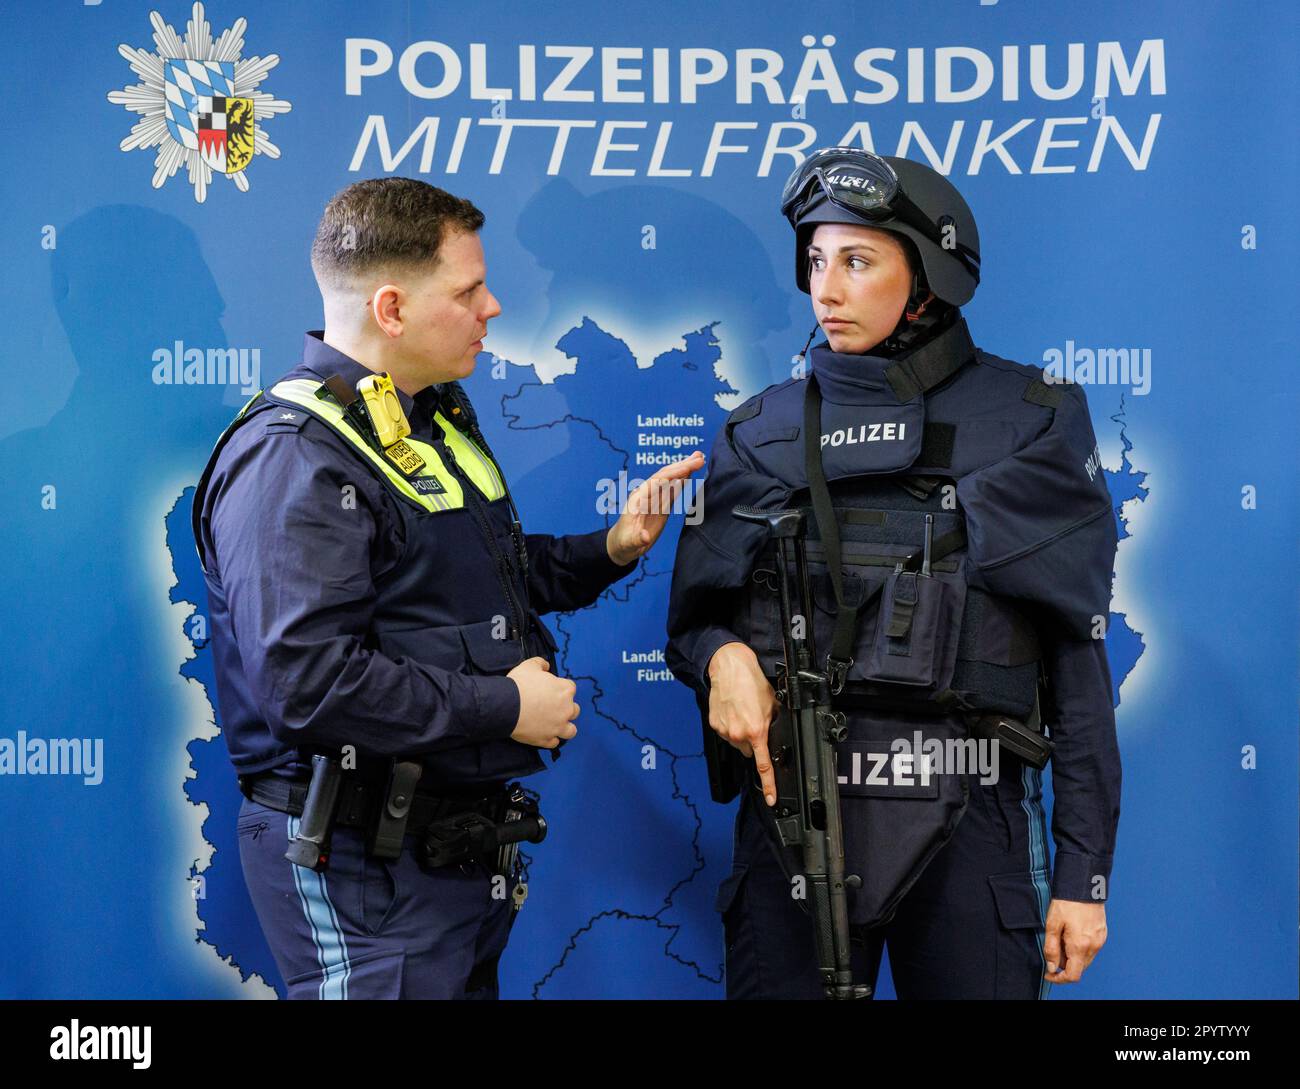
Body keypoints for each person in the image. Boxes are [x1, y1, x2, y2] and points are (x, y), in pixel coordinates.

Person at [192, 177, 702, 999]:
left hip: (444, 855)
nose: (492, 307)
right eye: (468, 290)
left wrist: (611, 546)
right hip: (358, 866)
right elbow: (307, 685)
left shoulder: (428, 420)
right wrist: (505, 707)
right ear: (390, 308)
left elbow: (471, 583)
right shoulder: (295, 455)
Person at [666, 148, 1120, 999]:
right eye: (815, 260)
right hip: (794, 814)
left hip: (970, 818)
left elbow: (1076, 662)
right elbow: (694, 620)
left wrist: (1081, 873)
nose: (825, 290)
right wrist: (722, 656)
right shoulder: (757, 433)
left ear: (928, 276)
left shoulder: (1029, 423)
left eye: (857, 261)